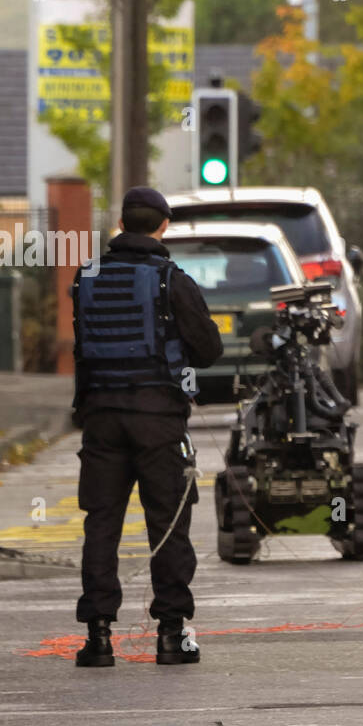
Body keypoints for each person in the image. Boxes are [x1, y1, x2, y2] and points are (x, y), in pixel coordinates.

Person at [71, 186, 223, 668]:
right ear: (163, 226)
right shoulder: (170, 280)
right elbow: (209, 348)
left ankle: (97, 638)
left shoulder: (86, 278)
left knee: (102, 525)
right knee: (169, 525)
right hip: (158, 421)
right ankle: (171, 636)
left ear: (120, 224)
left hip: (101, 420)